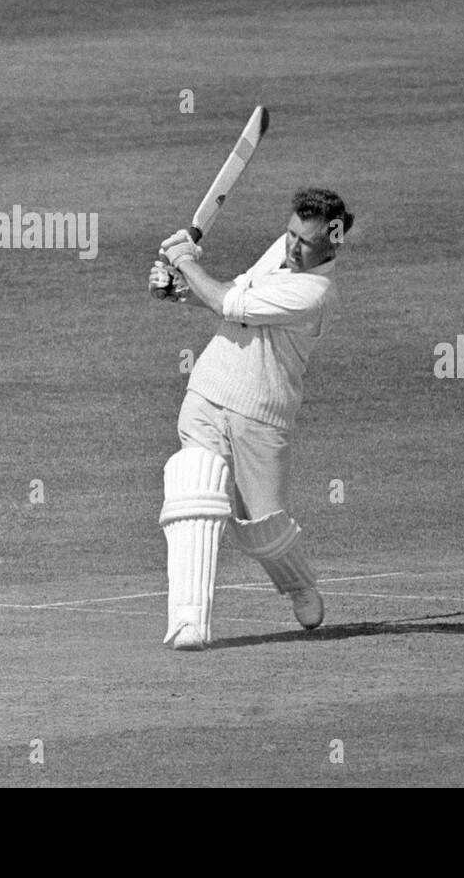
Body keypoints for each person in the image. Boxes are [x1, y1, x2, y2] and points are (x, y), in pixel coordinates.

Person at [150, 187, 353, 650]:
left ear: (333, 243)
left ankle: (298, 584)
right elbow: (229, 296)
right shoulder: (280, 253)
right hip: (208, 390)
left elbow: (230, 305)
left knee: (262, 526)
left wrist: (183, 259)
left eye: (305, 242)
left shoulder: (315, 294)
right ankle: (188, 620)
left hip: (261, 414)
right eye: (290, 233)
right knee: (193, 489)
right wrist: (179, 290)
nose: (292, 247)